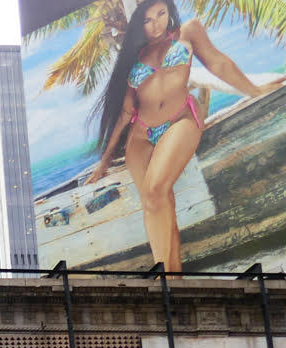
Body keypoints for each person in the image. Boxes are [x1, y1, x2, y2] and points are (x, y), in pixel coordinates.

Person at [88, 0, 285, 273]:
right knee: (156, 202)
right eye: (147, 19)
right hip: (141, 134)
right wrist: (105, 160)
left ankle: (164, 279)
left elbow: (218, 63)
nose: (156, 23)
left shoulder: (187, 32)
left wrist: (253, 90)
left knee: (155, 191)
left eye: (161, 14)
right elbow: (124, 113)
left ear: (169, 11)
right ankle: (173, 279)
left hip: (180, 118)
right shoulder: (134, 56)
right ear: (138, 24)